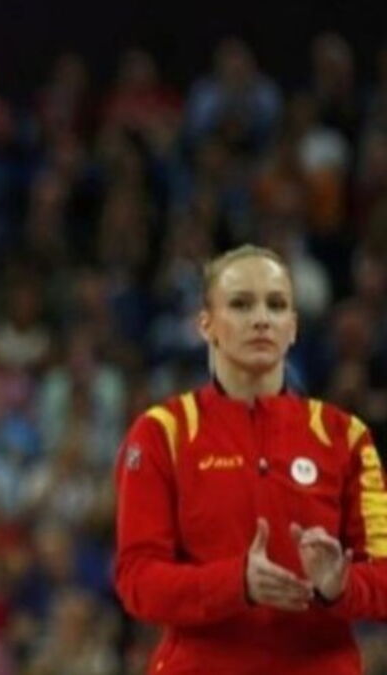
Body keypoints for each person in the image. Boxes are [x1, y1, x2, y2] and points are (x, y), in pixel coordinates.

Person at [113, 244, 386, 674]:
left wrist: (342, 583)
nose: (261, 318)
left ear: (293, 327)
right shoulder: (161, 433)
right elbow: (137, 581)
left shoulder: (346, 438)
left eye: (276, 305)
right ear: (207, 324)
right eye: (241, 304)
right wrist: (235, 582)